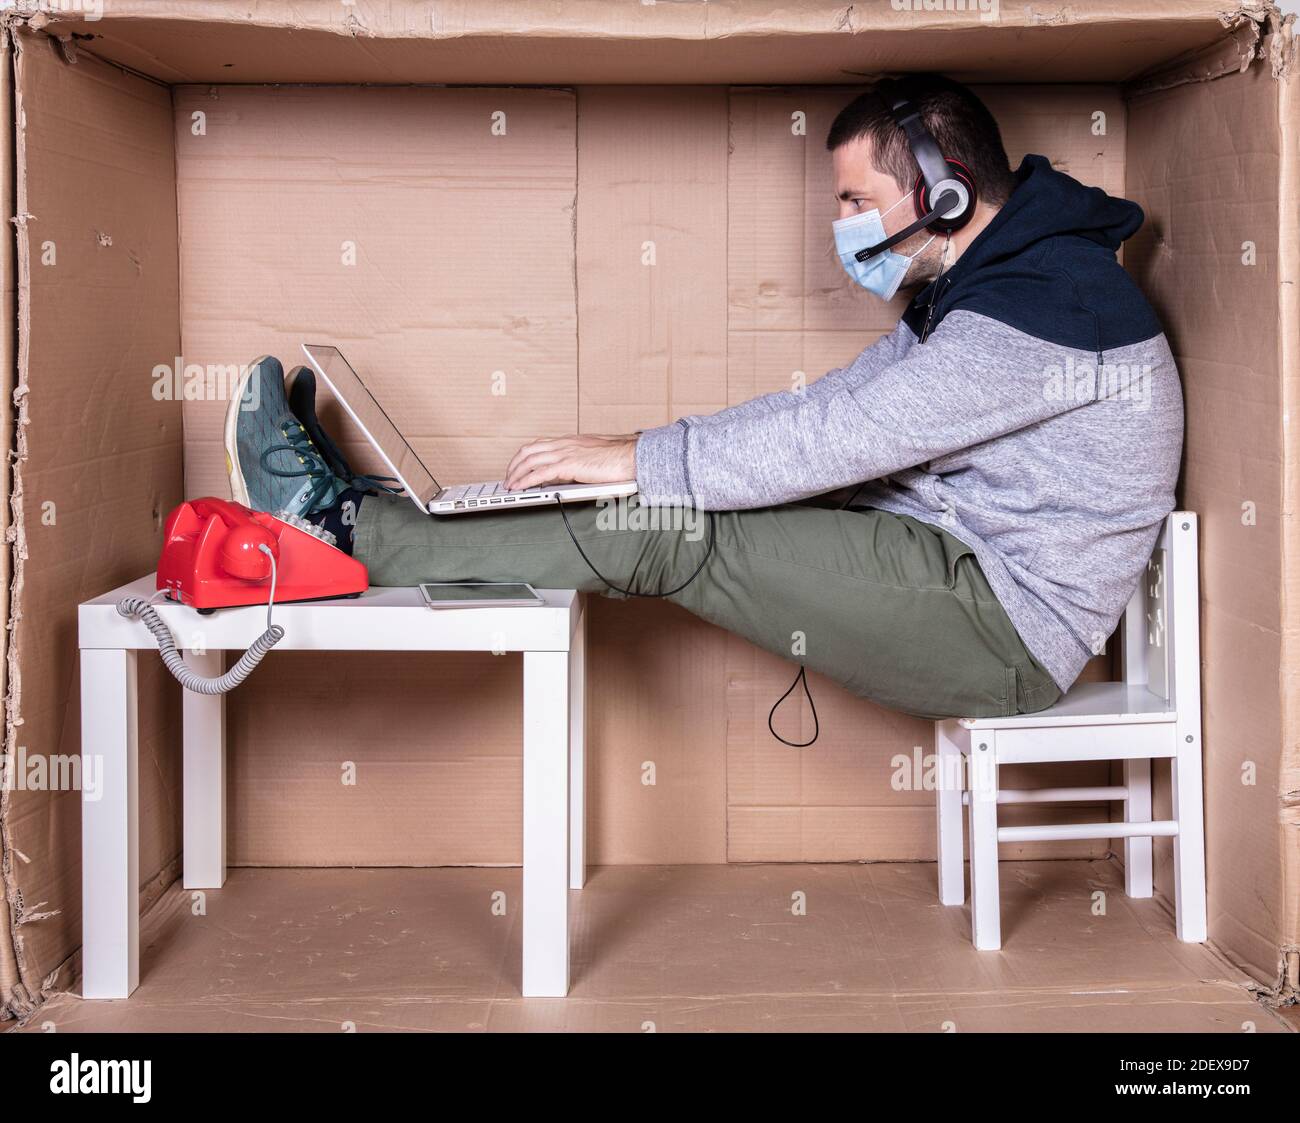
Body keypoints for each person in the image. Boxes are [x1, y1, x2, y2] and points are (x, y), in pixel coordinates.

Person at [223, 74, 1183, 722]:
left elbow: (844, 434)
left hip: (1002, 625)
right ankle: (389, 513)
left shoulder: (1039, 312)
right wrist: (649, 449)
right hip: (953, 557)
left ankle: (339, 527)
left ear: (943, 195)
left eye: (854, 201)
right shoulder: (999, 282)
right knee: (673, 495)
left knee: (667, 530)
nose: (838, 225)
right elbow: (838, 405)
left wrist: (643, 459)